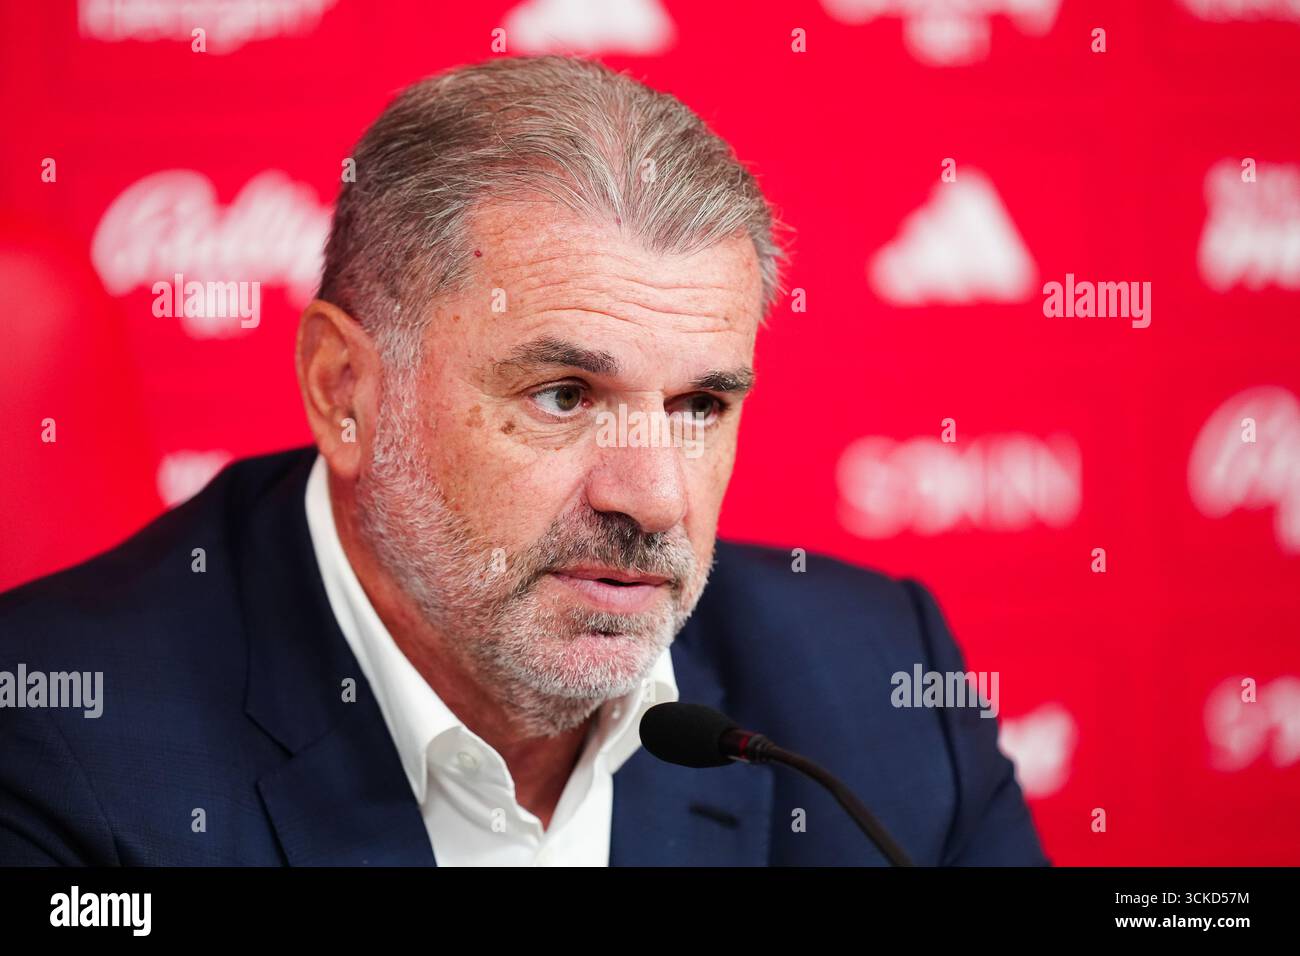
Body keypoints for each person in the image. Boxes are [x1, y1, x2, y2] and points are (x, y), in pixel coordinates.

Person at [0, 55, 1047, 866]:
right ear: (344, 390)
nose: (653, 496)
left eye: (698, 403)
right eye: (563, 395)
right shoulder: (59, 744)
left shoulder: (874, 693)